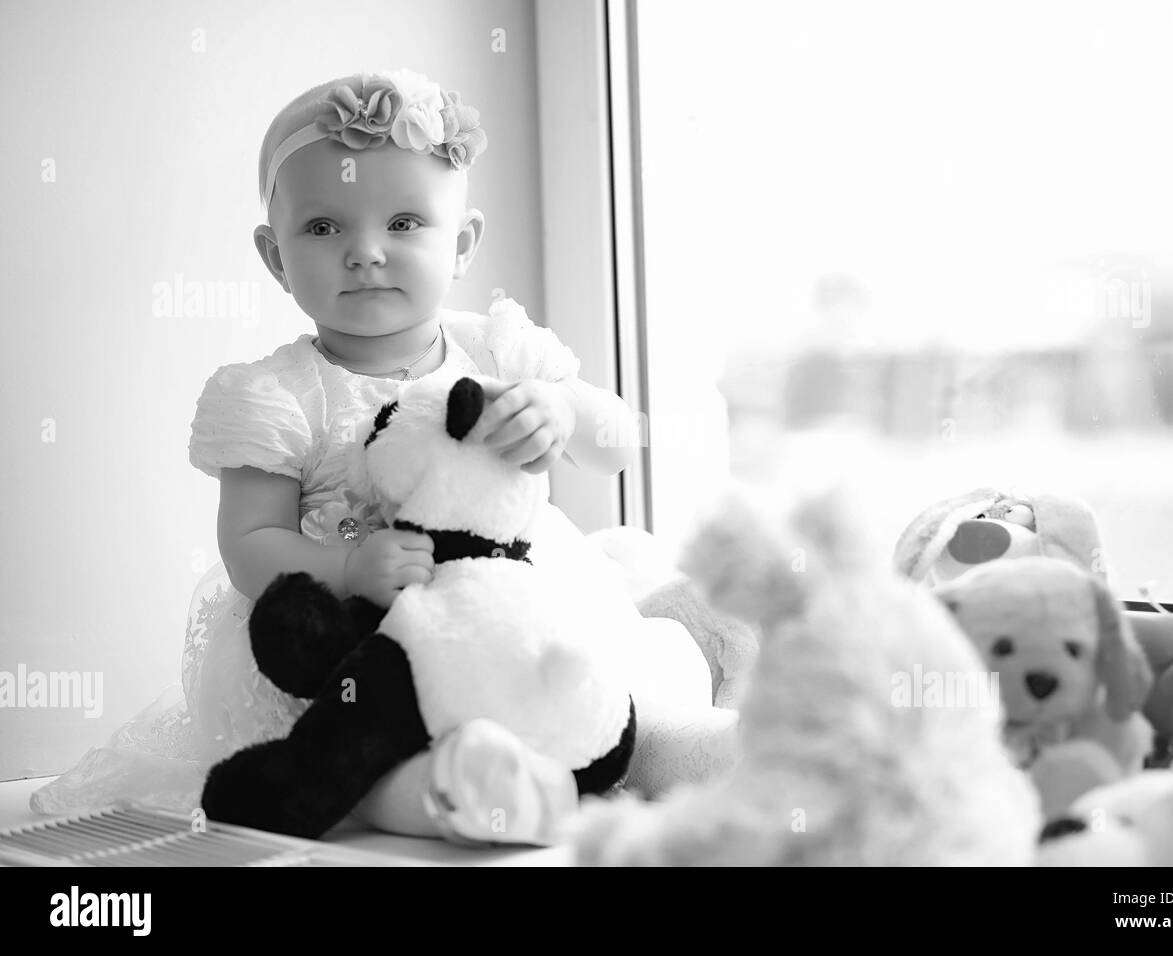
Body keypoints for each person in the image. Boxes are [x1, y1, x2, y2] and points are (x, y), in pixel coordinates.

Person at [31, 69, 737, 846]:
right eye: (325, 229)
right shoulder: (280, 394)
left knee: (609, 696)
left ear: (461, 242)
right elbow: (249, 543)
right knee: (353, 760)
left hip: (511, 614)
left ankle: (697, 756)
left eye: (404, 222)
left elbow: (616, 442)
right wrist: (345, 572)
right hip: (358, 644)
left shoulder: (493, 346)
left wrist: (562, 411)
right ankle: (462, 791)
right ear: (275, 256)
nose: (366, 253)